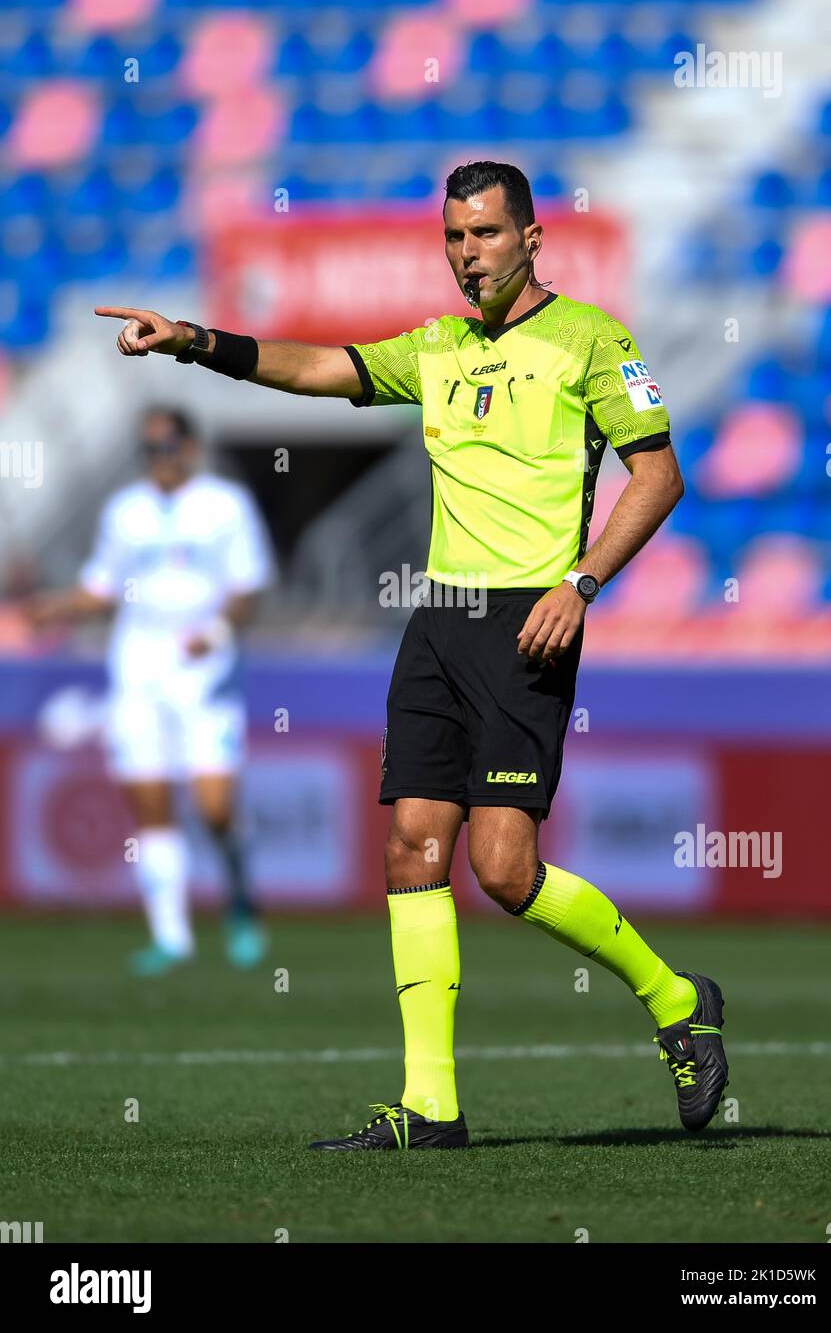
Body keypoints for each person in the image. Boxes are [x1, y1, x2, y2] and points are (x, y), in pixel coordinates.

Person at [92, 159, 728, 1143]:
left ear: (529, 239)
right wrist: (195, 342)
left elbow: (657, 478)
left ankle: (677, 998)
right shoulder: (433, 346)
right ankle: (430, 1105)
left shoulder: (591, 341)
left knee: (505, 871)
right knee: (409, 850)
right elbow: (316, 370)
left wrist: (581, 584)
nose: (465, 254)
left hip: (529, 618)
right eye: (452, 237)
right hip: (437, 623)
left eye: (482, 234)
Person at [27, 406, 276, 976]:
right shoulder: (126, 511)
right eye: (149, 450)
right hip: (139, 667)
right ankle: (171, 936)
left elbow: (248, 588)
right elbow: (103, 587)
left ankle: (240, 898)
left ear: (190, 447)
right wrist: (55, 606)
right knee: (150, 804)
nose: (158, 460)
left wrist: (213, 634)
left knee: (215, 807)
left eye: (167, 447)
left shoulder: (225, 506)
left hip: (205, 672)